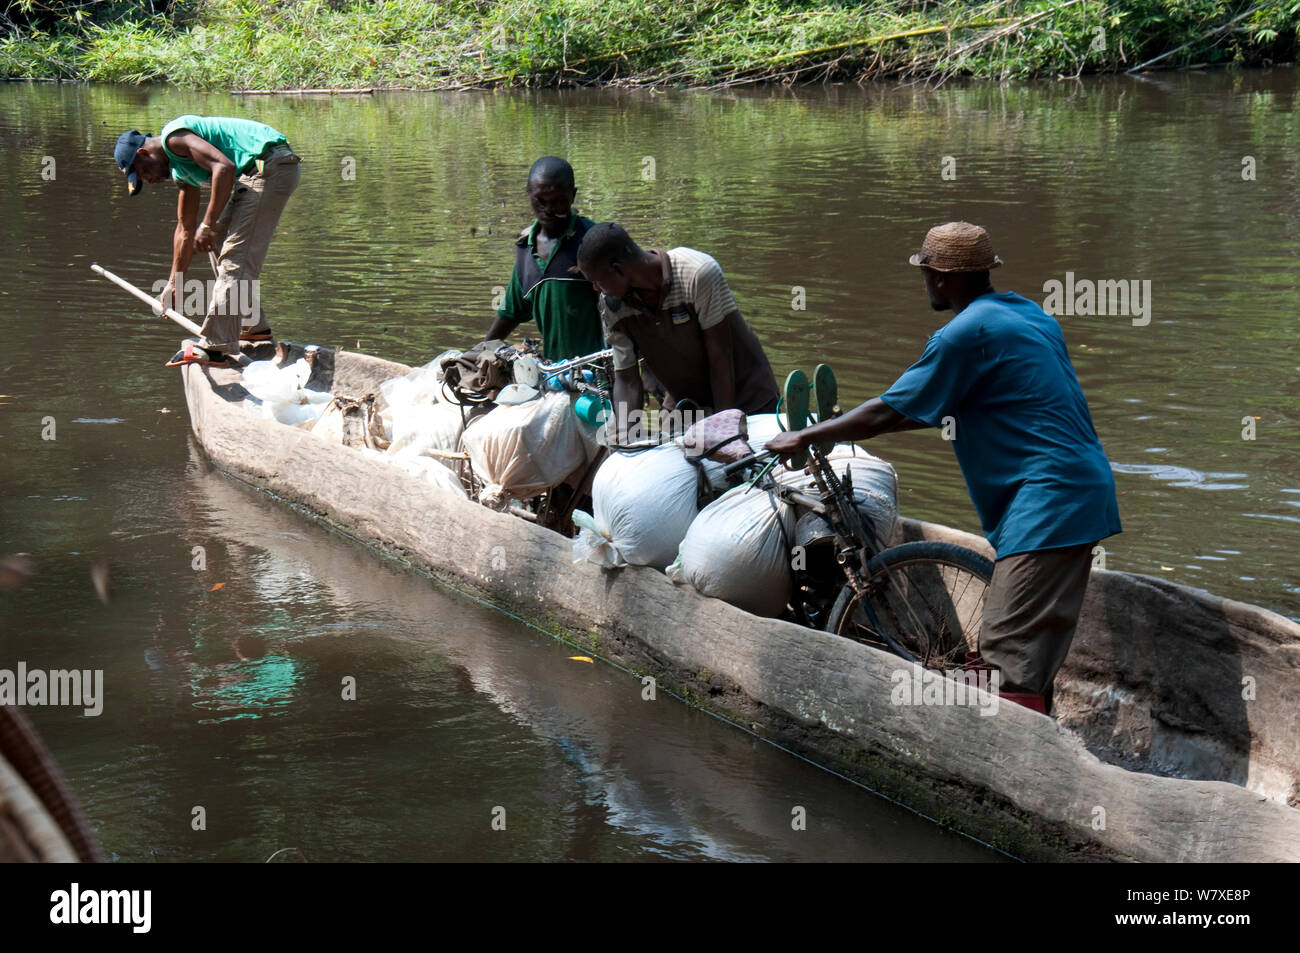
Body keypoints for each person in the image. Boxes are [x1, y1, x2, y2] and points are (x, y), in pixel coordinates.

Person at [766, 222, 1121, 714]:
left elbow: (891, 409)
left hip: (1048, 501)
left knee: (1002, 658)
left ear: (939, 278)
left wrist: (808, 435)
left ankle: (1007, 773)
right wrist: (843, 426)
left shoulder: (962, 335)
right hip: (1083, 488)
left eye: (927, 274)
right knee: (1028, 652)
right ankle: (1039, 734)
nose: (926, 283)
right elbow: (928, 407)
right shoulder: (1028, 315)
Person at [113, 115, 301, 367]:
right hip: (255, 175)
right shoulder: (181, 172)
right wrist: (174, 283)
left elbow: (224, 167)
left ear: (144, 153)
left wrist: (208, 224)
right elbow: (184, 229)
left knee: (236, 257)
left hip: (270, 165)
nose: (148, 179)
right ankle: (252, 326)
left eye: (143, 172)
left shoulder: (174, 138)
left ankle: (215, 345)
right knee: (220, 243)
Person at [576, 223, 779, 434]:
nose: (595, 288)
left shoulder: (697, 272)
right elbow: (627, 379)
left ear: (618, 269)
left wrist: (722, 431)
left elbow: (720, 357)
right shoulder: (612, 305)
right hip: (686, 403)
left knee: (749, 461)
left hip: (746, 396)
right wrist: (624, 435)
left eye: (597, 281)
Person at [484, 157, 604, 361]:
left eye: (558, 201)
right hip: (556, 375)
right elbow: (509, 315)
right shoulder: (527, 251)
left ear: (572, 196)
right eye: (541, 200)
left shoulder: (592, 240)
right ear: (528, 193)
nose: (549, 209)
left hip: (600, 375)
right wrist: (478, 353)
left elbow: (625, 311)